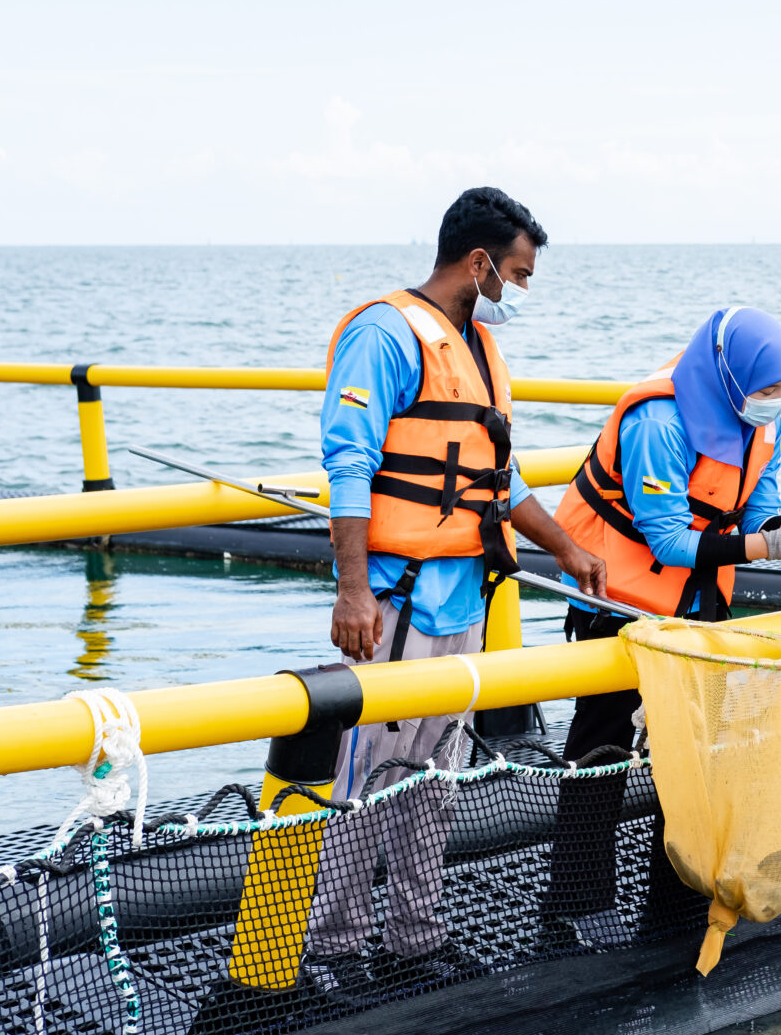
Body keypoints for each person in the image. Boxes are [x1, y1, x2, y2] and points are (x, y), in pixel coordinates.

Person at [306, 187, 607, 1000]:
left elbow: (498, 484)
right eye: (515, 272)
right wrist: (353, 591)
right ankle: (330, 949)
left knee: (436, 776)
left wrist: (571, 549)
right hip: (396, 598)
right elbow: (349, 466)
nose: (518, 289)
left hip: (464, 599)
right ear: (478, 263)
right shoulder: (386, 334)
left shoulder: (477, 347)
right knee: (367, 777)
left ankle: (414, 937)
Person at [540, 307, 781, 947]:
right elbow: (669, 540)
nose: (775, 403)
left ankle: (674, 900)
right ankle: (573, 902)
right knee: (602, 750)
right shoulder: (658, 421)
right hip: (617, 607)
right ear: (729, 377)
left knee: (700, 754)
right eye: (766, 391)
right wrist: (767, 550)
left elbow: (756, 508)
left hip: (699, 607)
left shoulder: (760, 423)